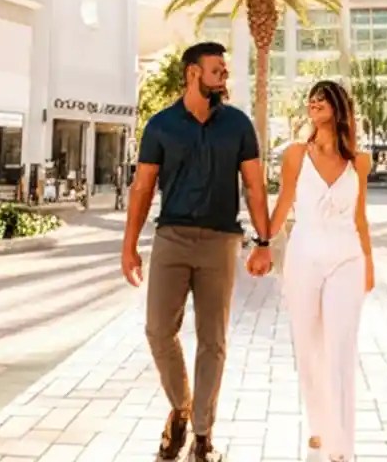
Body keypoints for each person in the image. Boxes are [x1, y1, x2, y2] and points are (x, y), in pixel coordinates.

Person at [122, 41, 274, 462]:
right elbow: (142, 187)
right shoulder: (161, 125)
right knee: (157, 329)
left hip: (221, 241)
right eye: (216, 69)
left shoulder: (239, 125)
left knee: (214, 341)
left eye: (225, 70)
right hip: (171, 237)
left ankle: (202, 437)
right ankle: (182, 407)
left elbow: (255, 186)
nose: (223, 75)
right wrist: (129, 246)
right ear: (193, 72)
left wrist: (264, 241)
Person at [267, 79, 375, 462]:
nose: (314, 102)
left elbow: (361, 218)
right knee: (309, 346)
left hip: (347, 260)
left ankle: (341, 446)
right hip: (304, 258)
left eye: (323, 98)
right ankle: (319, 426)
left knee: (342, 349)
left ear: (338, 108)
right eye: (311, 97)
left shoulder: (359, 161)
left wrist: (369, 265)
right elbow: (283, 206)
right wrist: (263, 242)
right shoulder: (296, 154)